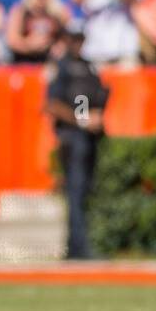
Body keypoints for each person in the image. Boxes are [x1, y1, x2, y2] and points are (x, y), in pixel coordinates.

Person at [44, 20, 109, 260]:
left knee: (85, 191)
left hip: (91, 138)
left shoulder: (89, 66)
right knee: (75, 190)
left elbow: (101, 96)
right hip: (72, 137)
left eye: (80, 38)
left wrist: (99, 116)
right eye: (72, 38)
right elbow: (52, 104)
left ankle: (76, 246)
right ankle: (79, 248)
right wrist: (82, 120)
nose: (77, 43)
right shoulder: (61, 67)